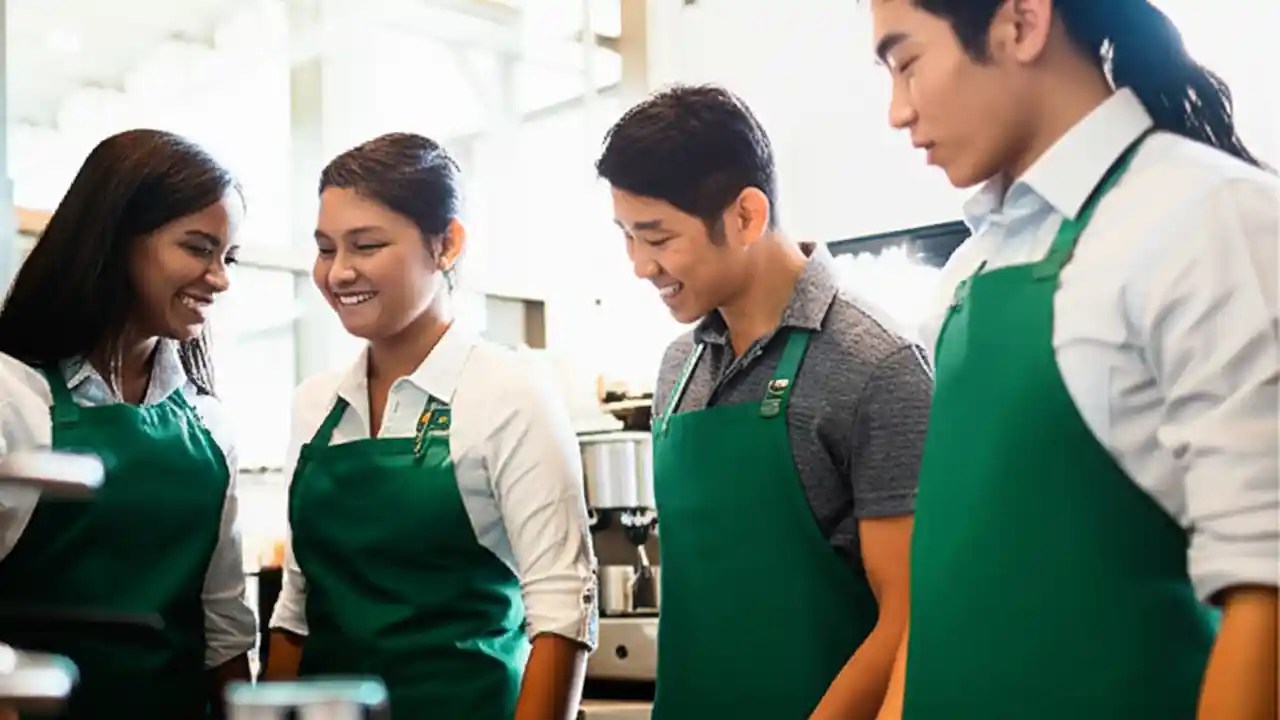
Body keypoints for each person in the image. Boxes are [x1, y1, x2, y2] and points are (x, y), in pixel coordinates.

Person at [866, 1, 1279, 718]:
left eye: (907, 64)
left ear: (1021, 23)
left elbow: (1266, 592)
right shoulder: (969, 270)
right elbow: (943, 578)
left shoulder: (1211, 217)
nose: (896, 112)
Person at [596, 84, 931, 719]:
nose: (641, 265)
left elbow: (910, 617)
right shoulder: (679, 365)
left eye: (658, 237)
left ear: (746, 216)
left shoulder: (879, 366)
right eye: (627, 237)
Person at [264, 132, 598, 719]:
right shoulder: (313, 405)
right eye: (324, 249)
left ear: (446, 244)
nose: (339, 273)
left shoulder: (509, 393)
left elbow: (562, 613)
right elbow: (297, 608)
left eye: (365, 245)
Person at [0, 128, 256, 718]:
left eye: (228, 256)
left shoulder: (210, 427)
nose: (220, 278)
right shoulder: (13, 400)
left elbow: (225, 634)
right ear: (115, 240)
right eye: (197, 248)